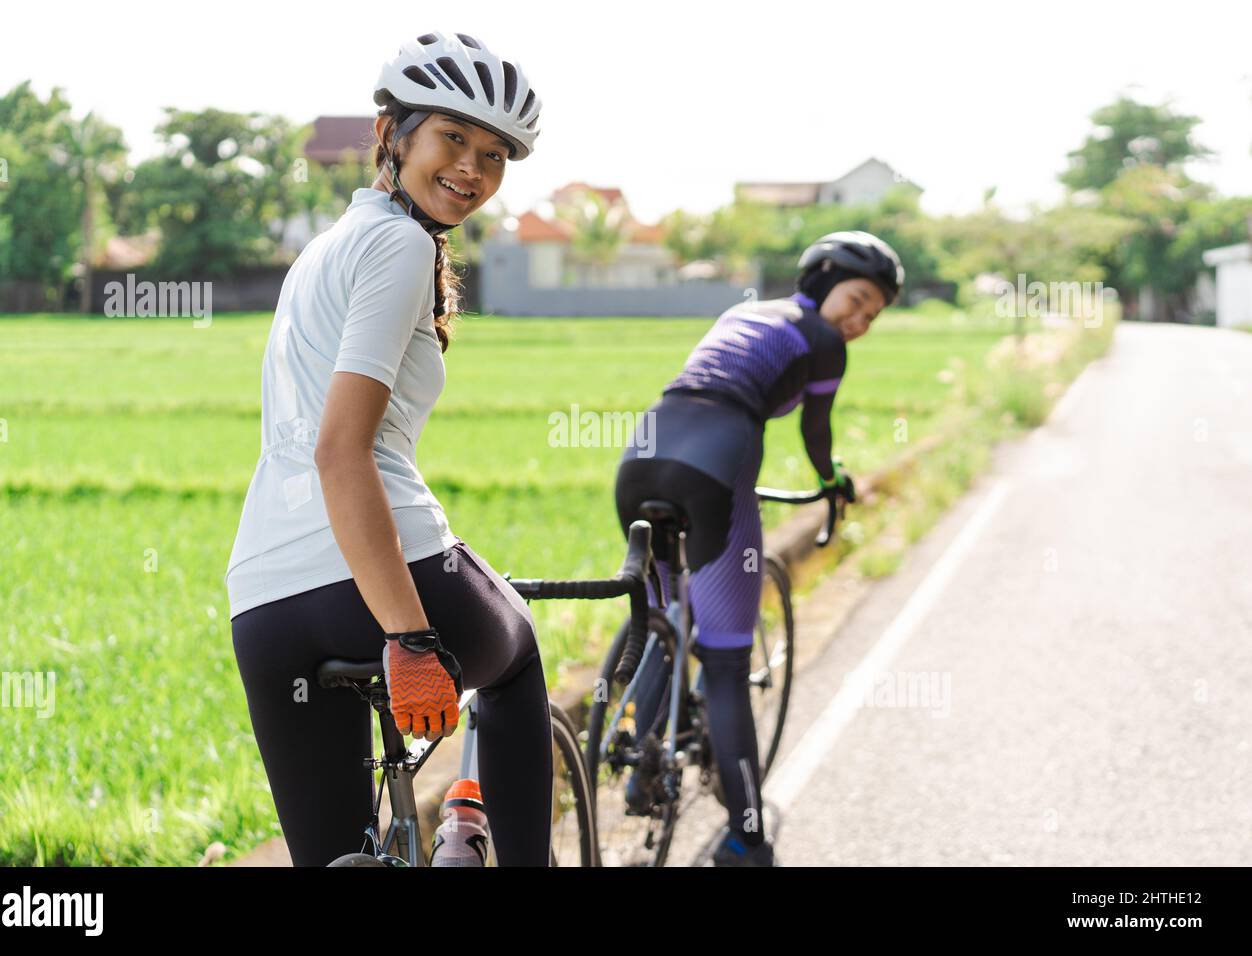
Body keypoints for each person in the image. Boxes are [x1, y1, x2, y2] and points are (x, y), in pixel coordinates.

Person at [225, 31, 549, 866]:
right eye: (453, 139)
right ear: (391, 134)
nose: (472, 170)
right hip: (382, 571)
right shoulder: (402, 245)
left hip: (265, 598)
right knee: (514, 661)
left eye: (493, 154)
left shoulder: (323, 248)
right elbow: (344, 451)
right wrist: (408, 638)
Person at [614, 231, 904, 866]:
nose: (858, 321)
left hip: (642, 455)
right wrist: (832, 484)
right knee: (723, 662)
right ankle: (747, 838)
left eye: (872, 315)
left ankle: (641, 768)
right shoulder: (823, 343)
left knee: (662, 620)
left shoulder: (741, 313)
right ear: (822, 283)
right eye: (856, 301)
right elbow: (816, 431)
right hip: (718, 463)